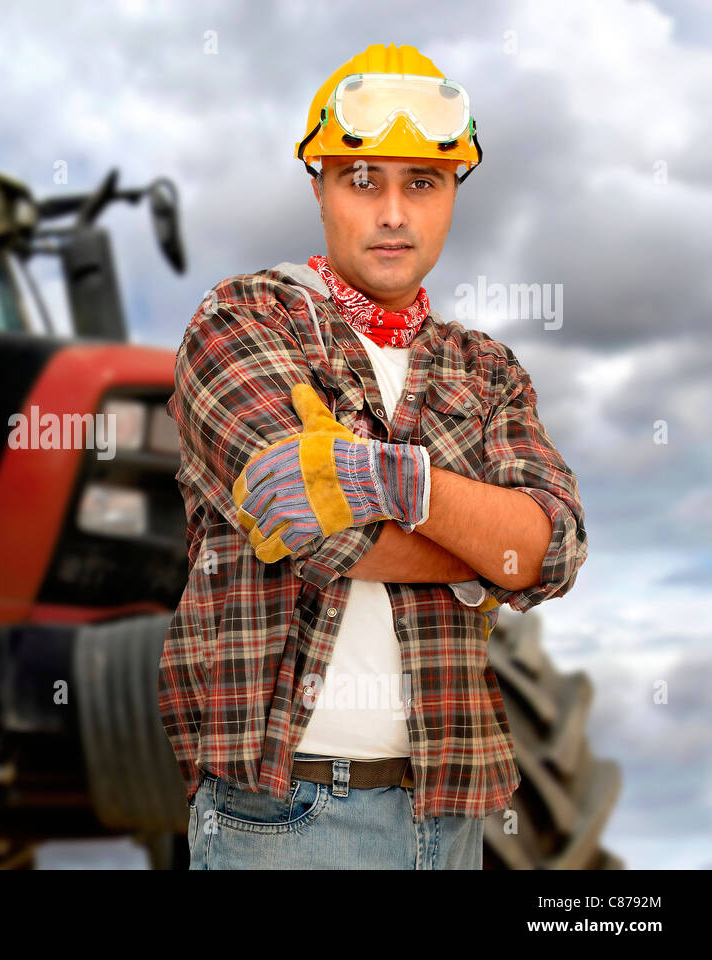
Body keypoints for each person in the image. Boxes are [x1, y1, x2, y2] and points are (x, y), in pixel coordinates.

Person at [159, 42, 588, 869]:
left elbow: (556, 548)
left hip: (449, 819)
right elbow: (307, 527)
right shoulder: (244, 322)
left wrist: (401, 484)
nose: (393, 212)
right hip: (283, 820)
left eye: (420, 183)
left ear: (451, 198)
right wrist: (483, 554)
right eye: (364, 181)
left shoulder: (484, 369)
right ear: (319, 187)